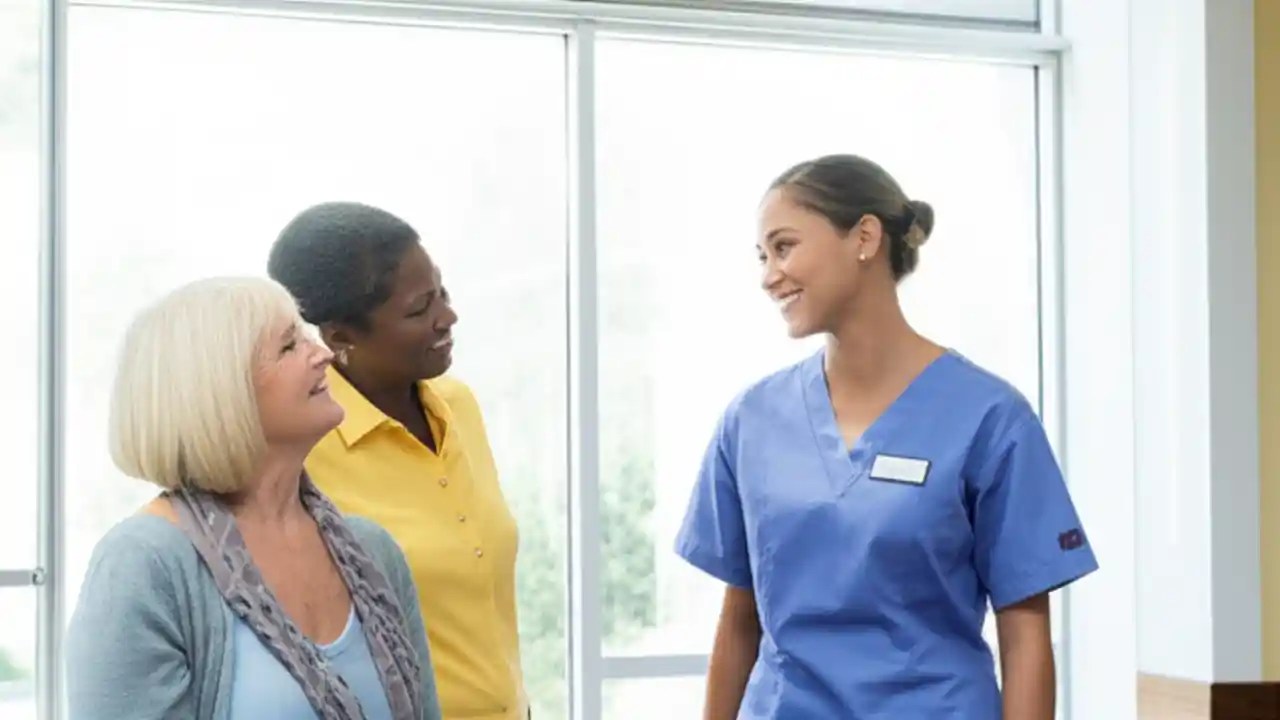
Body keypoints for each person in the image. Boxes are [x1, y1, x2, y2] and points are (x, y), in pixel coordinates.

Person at [675, 154, 1098, 719]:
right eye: (762, 256)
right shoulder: (752, 421)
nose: (768, 274)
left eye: (783, 247)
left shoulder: (989, 418)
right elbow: (739, 617)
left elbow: (1024, 633)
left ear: (865, 238)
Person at [66, 277, 442, 720]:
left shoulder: (373, 553)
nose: (323, 353)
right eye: (289, 346)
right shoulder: (145, 564)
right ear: (218, 392)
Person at [268, 202, 528, 720]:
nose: (447, 317)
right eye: (419, 309)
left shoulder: (459, 407)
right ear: (339, 336)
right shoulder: (298, 450)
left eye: (443, 293)